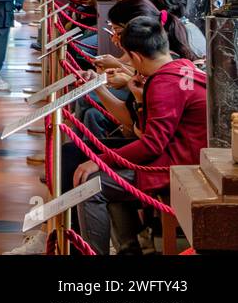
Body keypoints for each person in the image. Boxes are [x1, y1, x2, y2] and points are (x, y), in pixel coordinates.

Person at [74, 17, 208, 254]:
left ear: (135, 57)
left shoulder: (164, 83)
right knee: (106, 179)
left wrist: (100, 161)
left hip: (179, 166)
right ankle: (131, 248)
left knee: (90, 188)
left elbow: (151, 145)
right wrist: (137, 98)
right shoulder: (182, 65)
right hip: (189, 158)